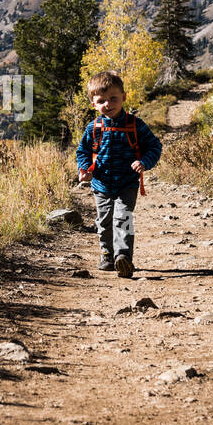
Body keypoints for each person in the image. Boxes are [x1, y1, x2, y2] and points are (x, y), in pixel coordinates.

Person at [75, 71, 163, 278]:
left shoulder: (135, 125)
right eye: (101, 101)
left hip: (127, 183)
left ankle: (123, 257)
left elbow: (154, 146)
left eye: (113, 98)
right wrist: (85, 169)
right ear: (93, 104)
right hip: (101, 184)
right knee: (104, 222)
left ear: (123, 97)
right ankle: (107, 254)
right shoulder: (94, 127)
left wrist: (144, 162)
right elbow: (83, 151)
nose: (108, 104)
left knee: (122, 218)